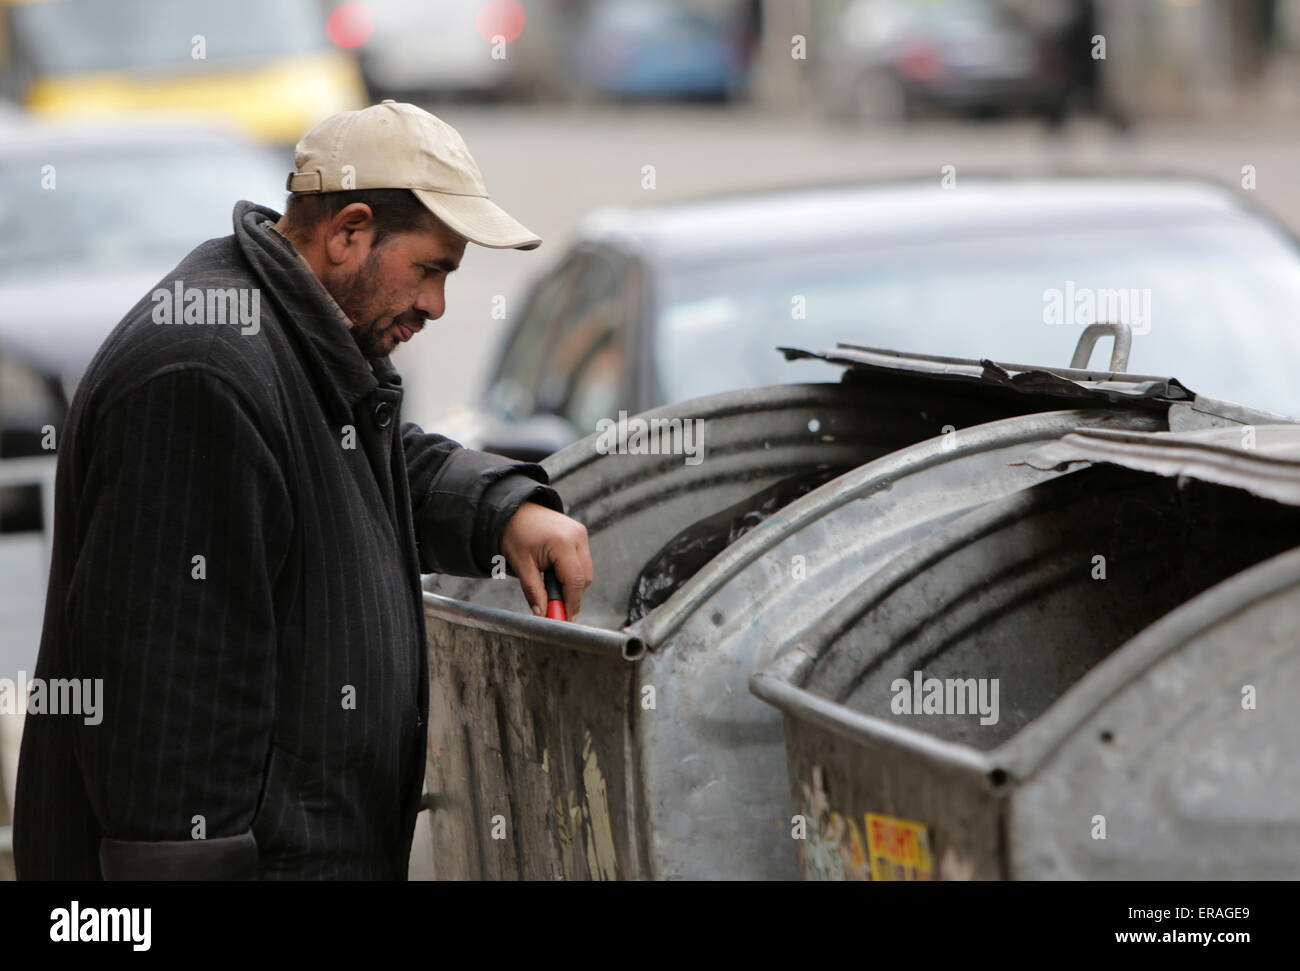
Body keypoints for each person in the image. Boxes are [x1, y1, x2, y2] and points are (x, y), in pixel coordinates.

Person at [13, 101, 594, 880]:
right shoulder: (204, 377)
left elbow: (353, 463)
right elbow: (166, 742)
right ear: (350, 231)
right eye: (431, 269)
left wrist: (499, 508)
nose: (437, 305)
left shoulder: (295, 337)